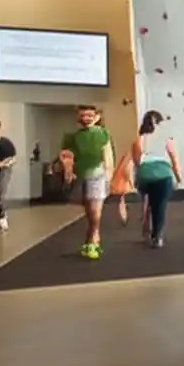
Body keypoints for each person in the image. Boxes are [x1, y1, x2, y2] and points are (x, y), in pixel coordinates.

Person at [60, 106, 115, 260]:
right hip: (80, 176)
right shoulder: (72, 137)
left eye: (90, 115)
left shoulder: (103, 134)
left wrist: (109, 177)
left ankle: (93, 242)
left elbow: (108, 156)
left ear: (97, 117)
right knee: (89, 212)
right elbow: (67, 157)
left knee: (95, 211)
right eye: (83, 115)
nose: (86, 118)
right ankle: (90, 239)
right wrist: (68, 172)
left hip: (97, 175)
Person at [132, 110, 183, 248]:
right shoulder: (167, 139)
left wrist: (137, 178)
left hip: (145, 175)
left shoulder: (139, 139)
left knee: (147, 201)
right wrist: (179, 178)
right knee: (159, 207)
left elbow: (137, 162)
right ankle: (157, 236)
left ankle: (145, 226)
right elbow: (174, 160)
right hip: (162, 175)